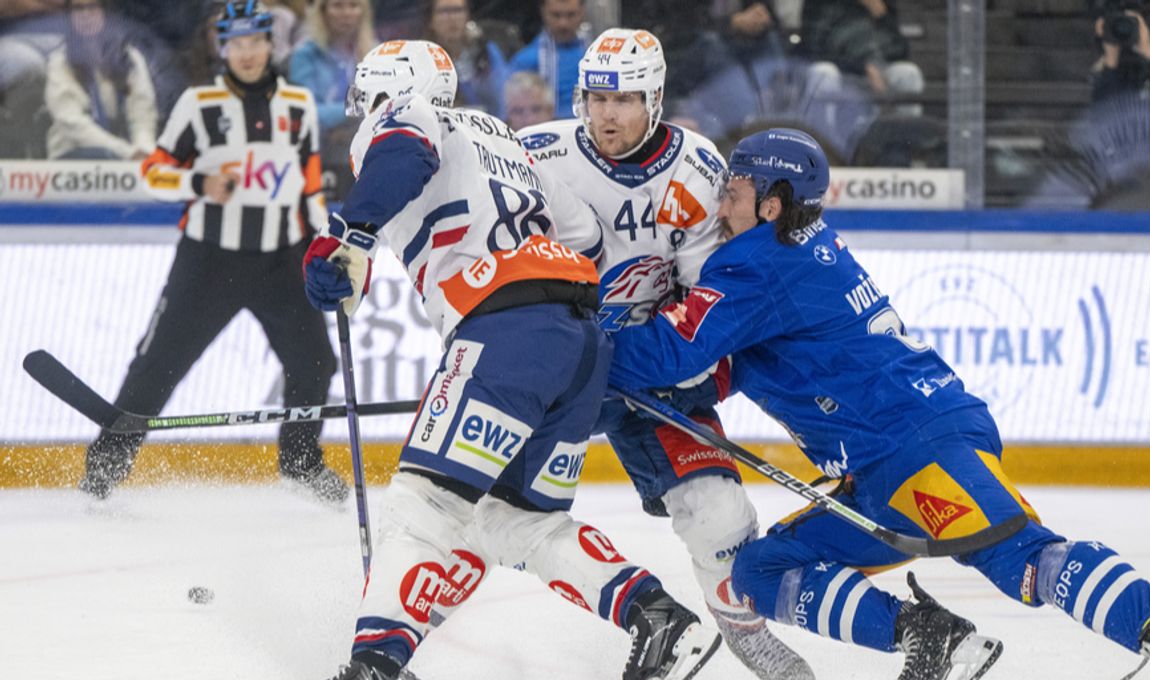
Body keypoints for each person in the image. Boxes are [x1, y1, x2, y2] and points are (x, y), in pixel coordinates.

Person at [606, 127, 1150, 680]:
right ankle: (928, 635)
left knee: (1025, 559)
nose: (724, 204)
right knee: (761, 569)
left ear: (774, 201)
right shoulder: (800, 245)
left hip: (915, 451)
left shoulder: (754, 261)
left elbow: (675, 354)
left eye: (737, 189)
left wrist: (583, 349)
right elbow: (729, 363)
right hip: (886, 463)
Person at [304, 39, 720, 680]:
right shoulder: (500, 135)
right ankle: (656, 615)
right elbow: (582, 235)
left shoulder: (402, 121)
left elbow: (402, 154)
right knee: (516, 521)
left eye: (368, 95)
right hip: (582, 341)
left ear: (392, 90)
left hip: (504, 332)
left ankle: (374, 666)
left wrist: (344, 234)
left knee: (424, 508)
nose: (363, 109)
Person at [516, 27, 815, 680]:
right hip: (564, 365)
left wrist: (689, 367)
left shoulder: (696, 168)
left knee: (720, 511)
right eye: (595, 98)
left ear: (654, 98)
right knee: (482, 500)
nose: (606, 115)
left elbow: (709, 299)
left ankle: (745, 635)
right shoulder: (536, 153)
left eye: (622, 100)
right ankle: (644, 610)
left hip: (652, 369)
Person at [77, 0, 344, 506]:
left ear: (270, 44)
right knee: (156, 366)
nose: (246, 52)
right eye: (236, 43)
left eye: (255, 41)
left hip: (281, 260)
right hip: (208, 261)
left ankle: (301, 461)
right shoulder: (199, 105)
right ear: (223, 47)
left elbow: (309, 186)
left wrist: (326, 246)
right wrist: (197, 181)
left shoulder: (297, 105)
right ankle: (104, 471)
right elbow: (154, 172)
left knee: (315, 363)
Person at [43, 0, 157, 160]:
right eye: (78, 9)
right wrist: (127, 152)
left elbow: (142, 112)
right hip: (71, 159)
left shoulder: (129, 58)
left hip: (126, 157)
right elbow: (73, 124)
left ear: (105, 12)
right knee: (105, 156)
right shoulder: (60, 62)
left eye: (92, 7)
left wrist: (144, 150)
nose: (85, 15)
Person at [289, 0, 377, 133]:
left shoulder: (376, 52)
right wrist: (358, 107)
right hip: (320, 144)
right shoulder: (305, 55)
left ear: (363, 12)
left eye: (353, 5)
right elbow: (305, 111)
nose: (346, 13)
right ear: (323, 11)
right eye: (337, 5)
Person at [424, 0, 508, 114]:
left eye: (458, 10)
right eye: (444, 11)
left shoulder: (486, 51)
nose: (452, 18)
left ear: (467, 15)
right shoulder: (424, 57)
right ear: (430, 20)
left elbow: (503, 97)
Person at [506, 0, 587, 119]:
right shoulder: (524, 61)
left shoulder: (595, 57)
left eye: (571, 15)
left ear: (582, 12)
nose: (563, 24)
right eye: (556, 15)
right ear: (543, 12)